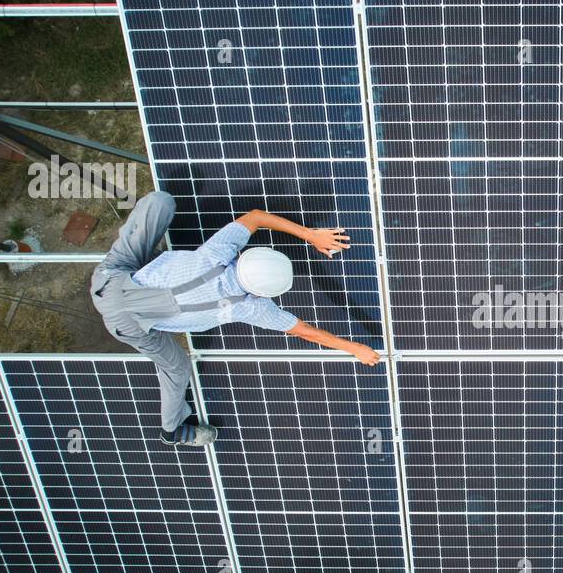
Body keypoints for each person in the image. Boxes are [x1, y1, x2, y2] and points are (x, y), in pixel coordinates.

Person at [90, 191, 380, 447]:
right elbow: (303, 331)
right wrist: (354, 348)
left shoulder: (215, 253)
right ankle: (172, 430)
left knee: (160, 202)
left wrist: (311, 235)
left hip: (111, 277)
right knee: (177, 369)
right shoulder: (245, 307)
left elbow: (255, 218)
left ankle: (148, 263)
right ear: (261, 294)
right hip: (128, 324)